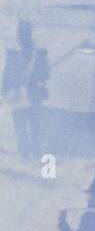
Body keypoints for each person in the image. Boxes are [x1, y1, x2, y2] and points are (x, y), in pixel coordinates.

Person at [2, 19, 49, 160]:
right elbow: (7, 74)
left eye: (23, 34)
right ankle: (26, 153)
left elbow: (46, 73)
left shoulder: (39, 54)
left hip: (32, 93)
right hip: (18, 93)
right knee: (23, 125)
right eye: (21, 35)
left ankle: (33, 152)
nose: (22, 38)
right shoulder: (13, 53)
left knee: (32, 124)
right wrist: (5, 91)